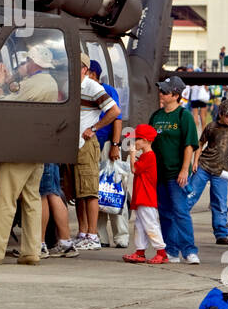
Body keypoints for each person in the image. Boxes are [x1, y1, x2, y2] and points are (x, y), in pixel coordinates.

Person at [0, 42, 62, 266]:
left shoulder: (38, 83)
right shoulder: (45, 82)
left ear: (34, 63)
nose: (24, 64)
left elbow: (5, 106)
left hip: (20, 148)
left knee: (5, 199)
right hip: (36, 148)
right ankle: (30, 251)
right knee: (31, 199)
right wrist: (11, 81)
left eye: (27, 61)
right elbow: (21, 93)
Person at [149, 76, 201, 264]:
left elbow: (189, 144)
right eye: (161, 90)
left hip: (175, 173)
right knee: (164, 212)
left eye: (164, 91)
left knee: (180, 211)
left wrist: (184, 169)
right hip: (159, 173)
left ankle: (189, 250)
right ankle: (171, 250)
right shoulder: (156, 116)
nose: (161, 93)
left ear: (175, 94)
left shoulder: (183, 115)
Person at [71, 54, 119, 250]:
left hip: (86, 144)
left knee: (90, 191)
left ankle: (92, 235)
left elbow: (114, 111)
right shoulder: (73, 87)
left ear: (84, 69)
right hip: (74, 145)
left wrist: (95, 128)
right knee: (79, 192)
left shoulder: (93, 87)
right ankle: (83, 232)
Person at [191, 99, 228, 245]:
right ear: (220, 114)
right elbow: (200, 144)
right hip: (204, 166)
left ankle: (221, 233)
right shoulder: (212, 127)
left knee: (220, 203)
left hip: (222, 172)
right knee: (190, 195)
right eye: (227, 116)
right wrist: (195, 162)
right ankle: (177, 222)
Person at [88, 59, 127, 246]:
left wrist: (115, 144)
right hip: (90, 144)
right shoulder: (86, 90)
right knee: (98, 190)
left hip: (106, 145)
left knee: (114, 188)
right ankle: (101, 235)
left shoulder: (108, 91)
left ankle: (121, 236)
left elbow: (117, 119)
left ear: (93, 74)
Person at [123, 124, 167, 264]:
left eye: (137, 139)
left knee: (150, 224)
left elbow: (134, 169)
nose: (135, 142)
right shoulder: (145, 156)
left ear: (146, 140)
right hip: (142, 196)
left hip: (146, 197)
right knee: (140, 225)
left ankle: (161, 252)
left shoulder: (149, 156)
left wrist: (132, 155)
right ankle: (140, 252)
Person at [39, 163, 78, 257]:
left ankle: (40, 245)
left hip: (42, 157)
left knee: (42, 194)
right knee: (54, 193)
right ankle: (66, 243)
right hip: (54, 157)